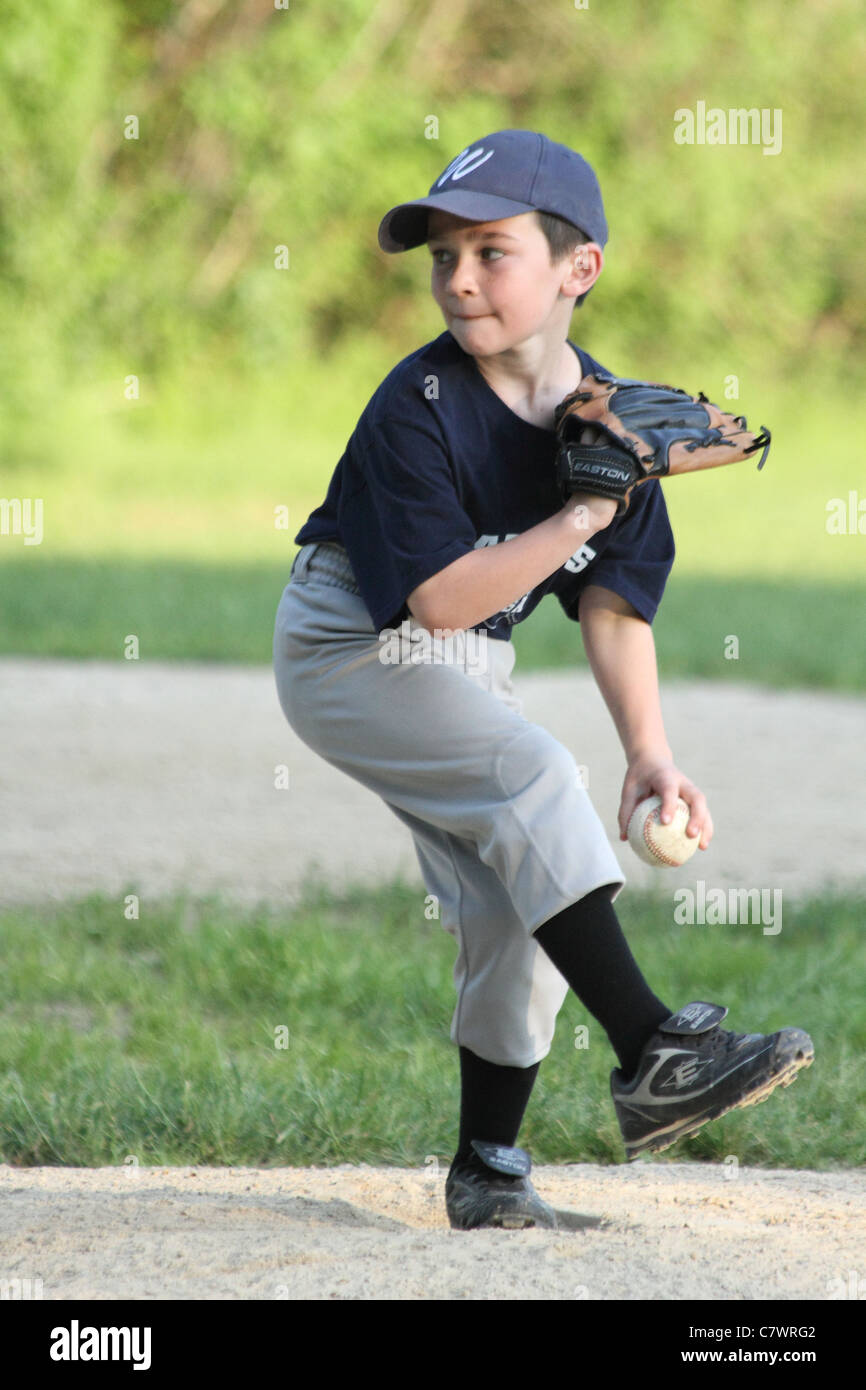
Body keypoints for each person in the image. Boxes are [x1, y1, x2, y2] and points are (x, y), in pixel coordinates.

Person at [272, 129, 813, 1231]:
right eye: (441, 256)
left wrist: (651, 752)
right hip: (349, 647)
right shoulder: (416, 403)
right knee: (532, 773)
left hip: (462, 659)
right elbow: (434, 600)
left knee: (518, 900)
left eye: (490, 250)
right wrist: (579, 508)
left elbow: (611, 603)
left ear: (579, 269)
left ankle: (487, 1166)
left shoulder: (608, 420)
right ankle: (653, 1048)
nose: (457, 277)